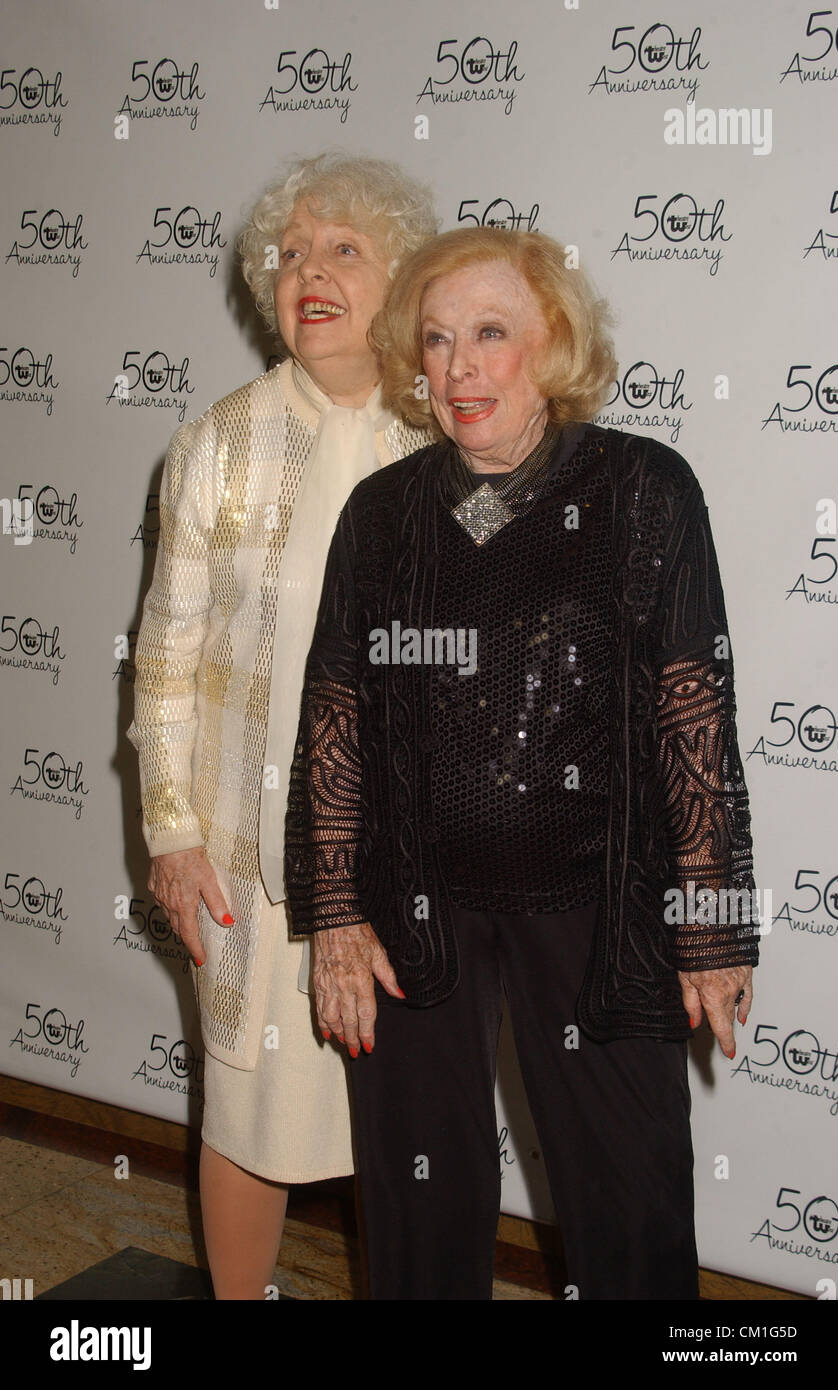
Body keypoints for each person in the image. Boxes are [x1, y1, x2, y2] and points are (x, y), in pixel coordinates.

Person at [285, 226, 760, 1300]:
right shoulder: (383, 517)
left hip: (601, 901)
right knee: (415, 1213)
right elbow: (337, 717)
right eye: (438, 338)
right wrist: (336, 914)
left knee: (630, 1204)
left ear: (553, 345)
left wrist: (713, 921)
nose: (458, 367)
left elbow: (693, 714)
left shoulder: (644, 490)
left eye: (490, 333)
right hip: (416, 906)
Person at [127, 153, 436, 1299]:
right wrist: (170, 830)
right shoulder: (221, 444)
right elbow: (163, 653)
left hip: (412, 867)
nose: (309, 271)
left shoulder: (445, 443)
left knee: (403, 1127)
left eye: (343, 249)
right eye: (291, 254)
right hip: (250, 865)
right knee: (248, 1111)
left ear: (398, 275)